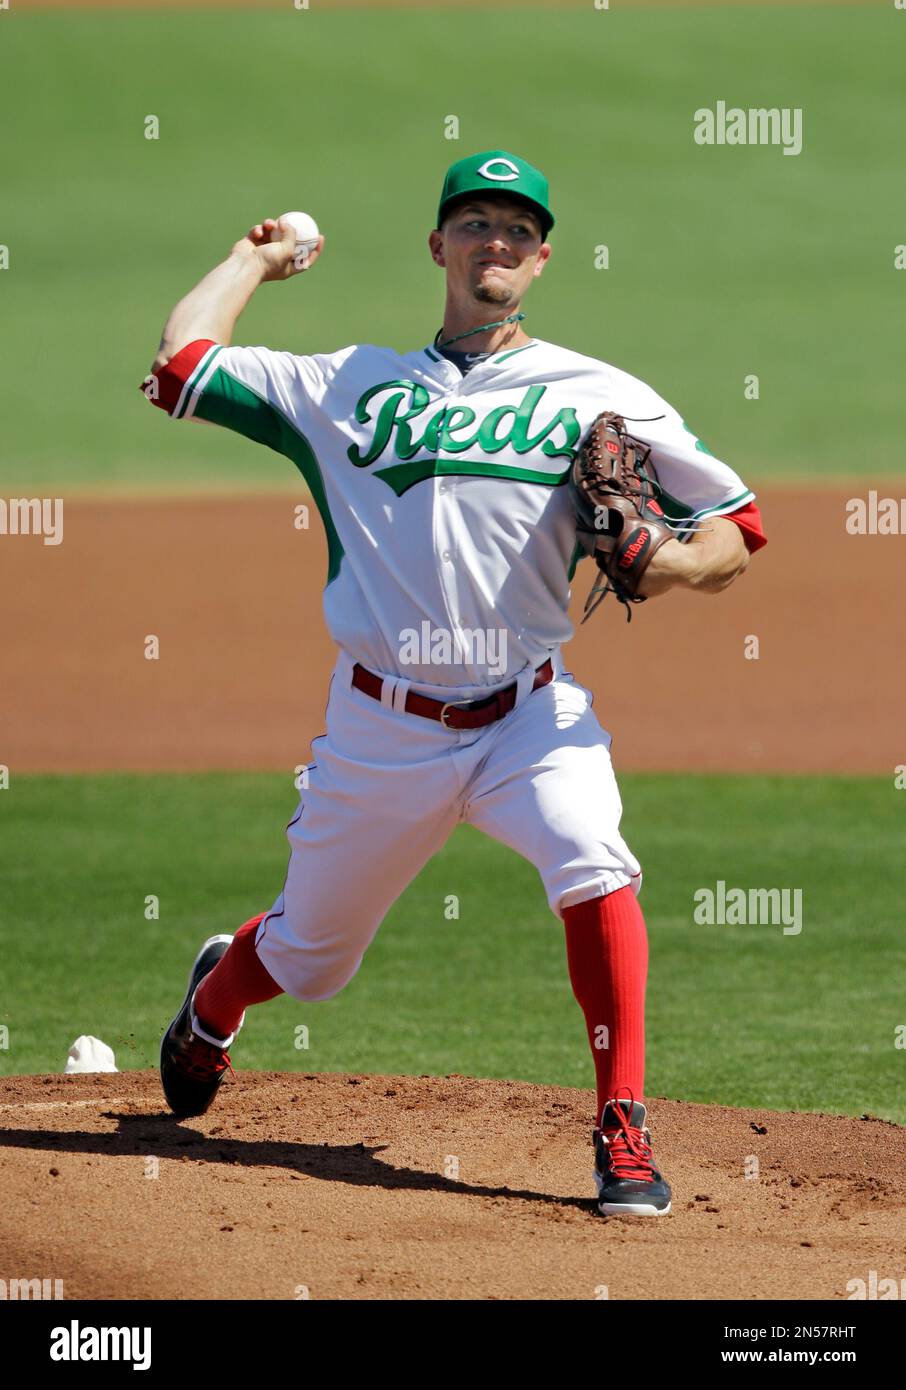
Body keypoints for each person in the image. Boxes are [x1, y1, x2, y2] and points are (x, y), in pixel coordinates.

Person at [142, 150, 766, 1217]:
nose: (496, 243)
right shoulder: (346, 385)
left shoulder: (598, 393)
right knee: (309, 958)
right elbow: (180, 365)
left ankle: (622, 1126)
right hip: (381, 726)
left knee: (594, 856)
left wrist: (673, 562)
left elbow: (740, 528)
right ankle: (213, 1003)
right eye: (475, 223)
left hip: (530, 713)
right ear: (439, 245)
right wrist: (252, 259)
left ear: (542, 257)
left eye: (517, 230)